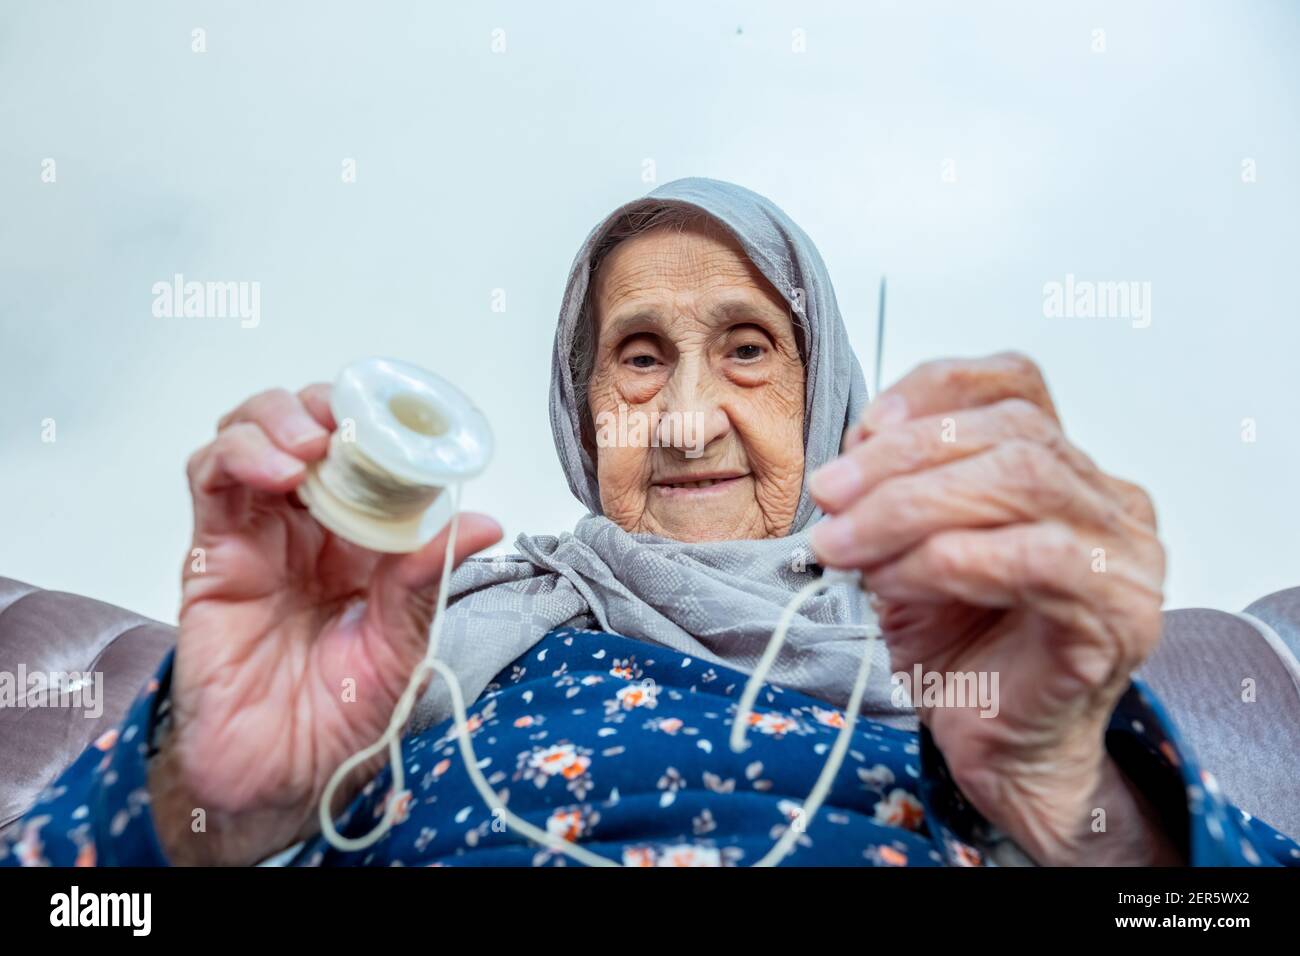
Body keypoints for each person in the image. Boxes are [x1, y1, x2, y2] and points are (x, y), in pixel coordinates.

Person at [4, 179, 1296, 867]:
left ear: (828, 398)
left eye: (748, 348)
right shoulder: (412, 651)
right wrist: (199, 804)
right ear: (580, 414)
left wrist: (1074, 799)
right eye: (636, 358)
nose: (682, 424)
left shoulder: (978, 657)